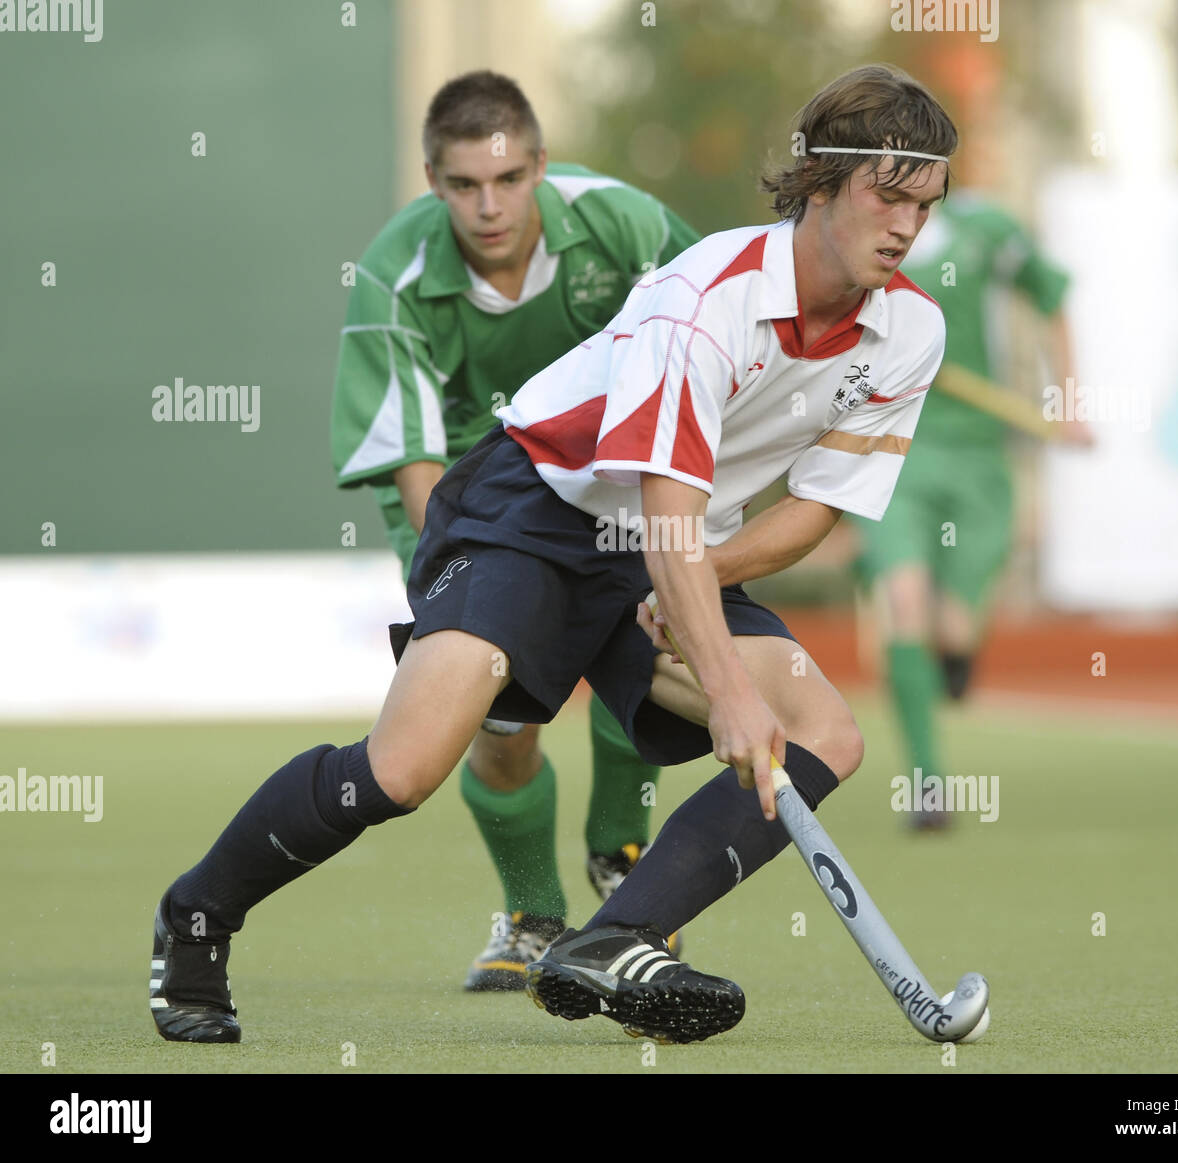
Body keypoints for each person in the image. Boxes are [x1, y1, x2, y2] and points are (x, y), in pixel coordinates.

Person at [148, 63, 957, 1046]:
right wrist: (723, 681)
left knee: (825, 732)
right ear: (820, 185)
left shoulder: (910, 327)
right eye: (888, 195)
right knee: (403, 767)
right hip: (532, 506)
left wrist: (706, 583)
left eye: (925, 200)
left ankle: (615, 935)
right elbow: (664, 510)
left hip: (673, 543)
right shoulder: (706, 293)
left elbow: (815, 509)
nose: (908, 225)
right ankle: (196, 916)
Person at [330, 71, 700, 989]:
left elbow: (716, 336)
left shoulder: (628, 225)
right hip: (469, 495)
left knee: (642, 663)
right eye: (462, 185)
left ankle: (622, 860)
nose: (488, 207)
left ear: (539, 165)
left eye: (506, 179)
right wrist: (480, 593)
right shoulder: (395, 274)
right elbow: (417, 464)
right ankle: (534, 915)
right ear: (432, 180)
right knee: (496, 715)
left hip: (610, 472)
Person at [848, 156, 1085, 830]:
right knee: (904, 603)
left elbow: (1052, 297)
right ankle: (928, 785)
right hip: (898, 451)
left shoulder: (989, 232)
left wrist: (1068, 401)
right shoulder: (859, 237)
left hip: (981, 456)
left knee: (951, 625)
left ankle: (955, 652)